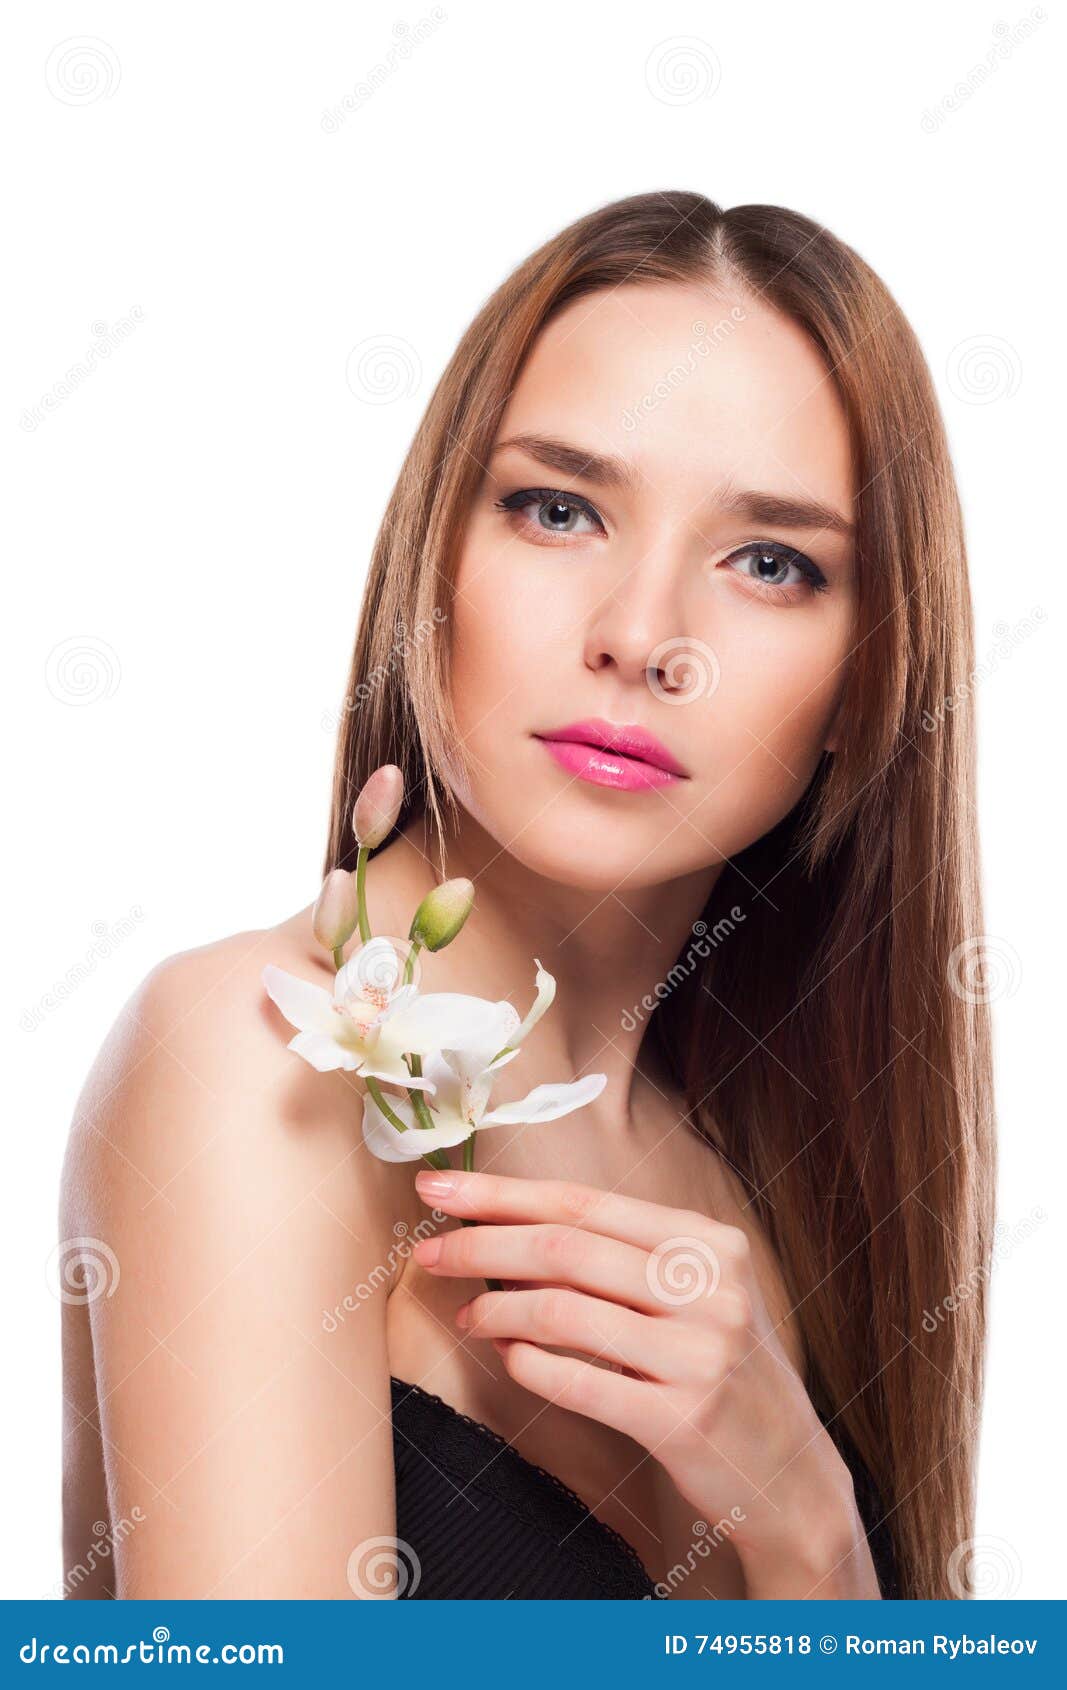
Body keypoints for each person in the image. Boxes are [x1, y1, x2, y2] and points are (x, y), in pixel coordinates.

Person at [61, 190, 994, 1600]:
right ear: (434, 556)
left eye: (771, 561)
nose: (639, 636)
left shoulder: (765, 1170)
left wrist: (813, 1539)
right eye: (558, 509)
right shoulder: (265, 1058)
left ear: (869, 683)